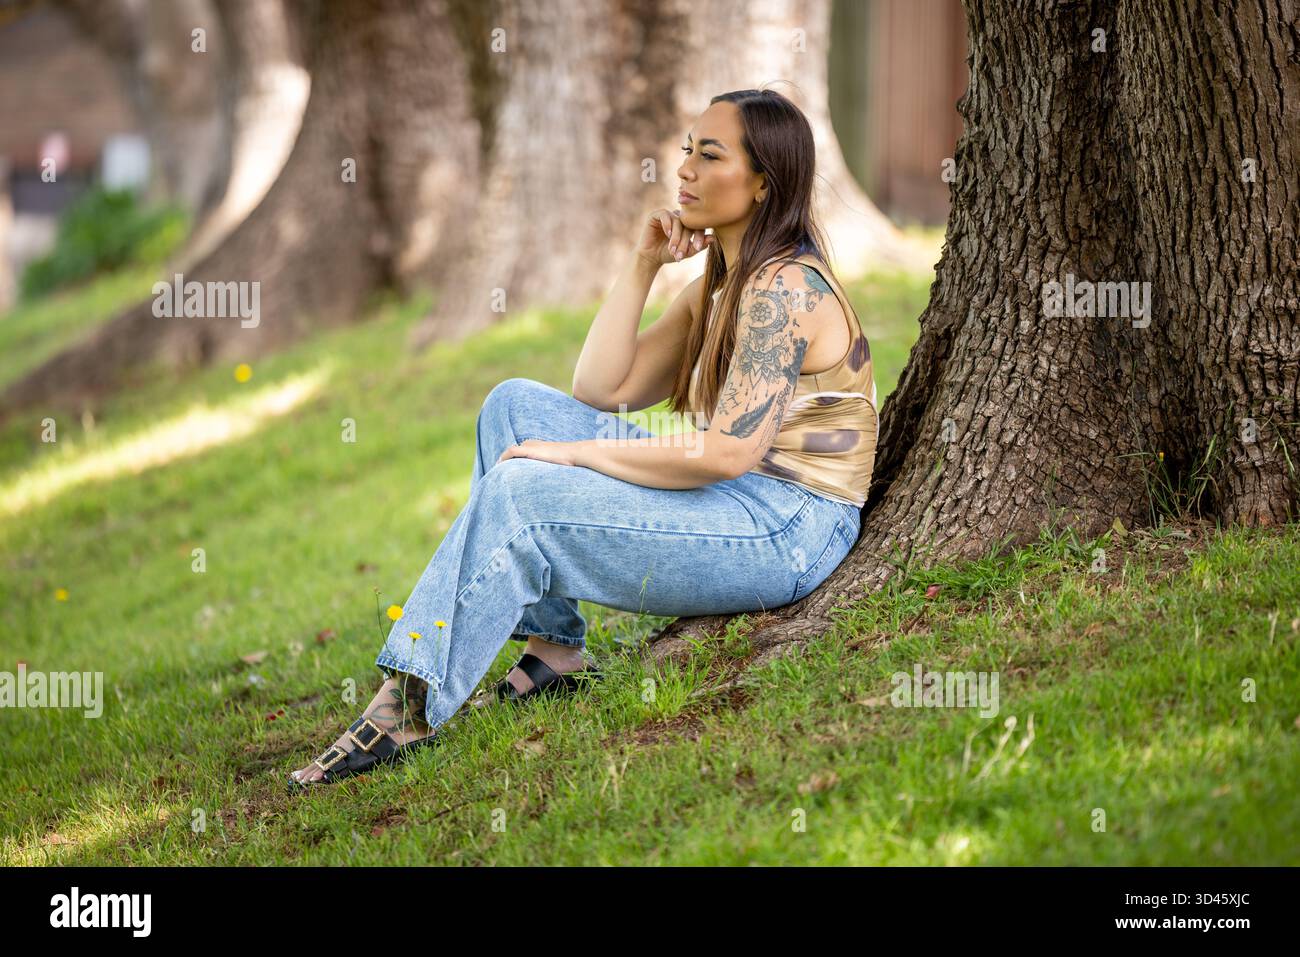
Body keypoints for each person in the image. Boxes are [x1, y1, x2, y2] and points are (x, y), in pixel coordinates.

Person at [288, 88, 878, 789]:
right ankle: (555, 653)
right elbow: (605, 388)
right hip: (742, 500)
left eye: (709, 155)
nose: (684, 168)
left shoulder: (784, 290)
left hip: (787, 527)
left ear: (762, 184)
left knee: (526, 490)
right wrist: (643, 265)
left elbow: (727, 452)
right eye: (687, 148)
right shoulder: (723, 283)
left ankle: (408, 704)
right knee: (514, 409)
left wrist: (574, 456)